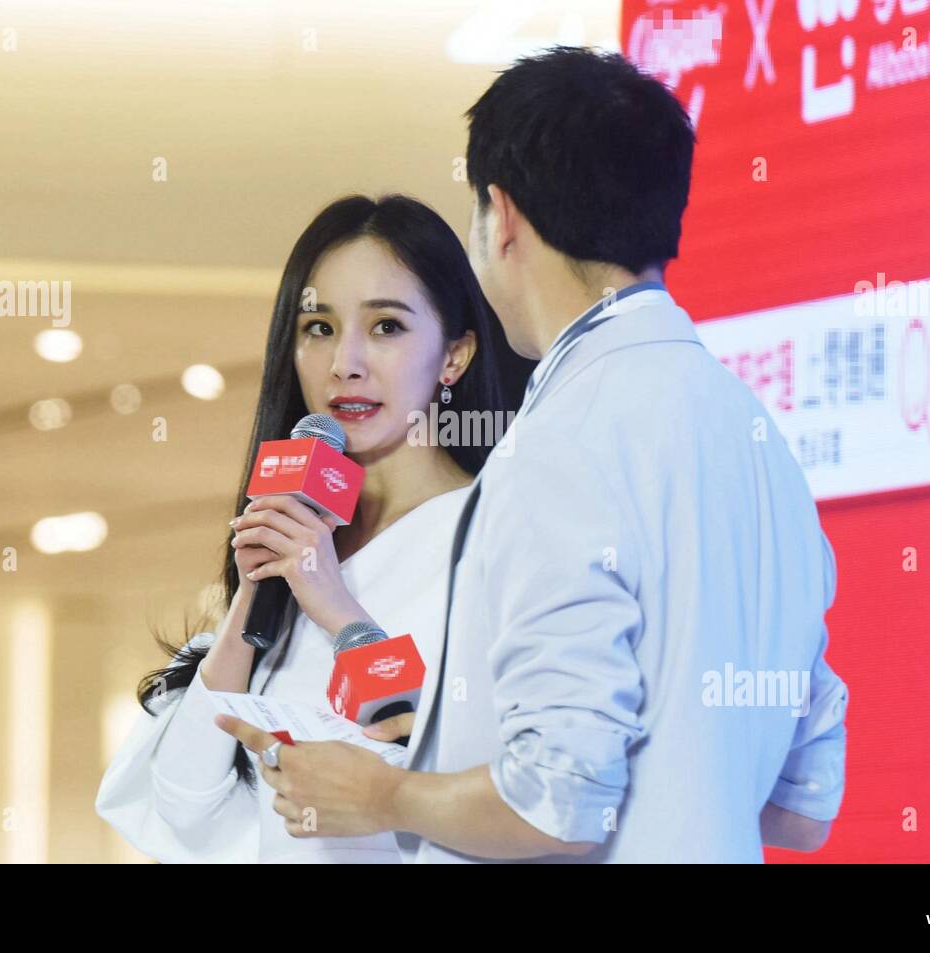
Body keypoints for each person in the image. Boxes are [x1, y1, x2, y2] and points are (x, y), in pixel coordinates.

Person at [217, 47, 849, 862]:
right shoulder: (760, 442)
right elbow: (802, 811)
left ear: (501, 216)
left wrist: (382, 795)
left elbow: (559, 800)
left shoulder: (557, 444)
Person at [96, 194, 531, 863]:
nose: (344, 362)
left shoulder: (496, 535)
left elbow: (442, 769)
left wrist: (337, 608)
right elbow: (182, 804)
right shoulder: (297, 542)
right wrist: (253, 597)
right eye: (318, 327)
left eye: (386, 326)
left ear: (455, 355)